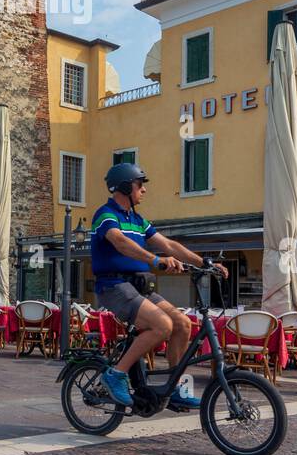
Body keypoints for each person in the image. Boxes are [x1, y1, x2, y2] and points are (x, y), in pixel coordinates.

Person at [90, 162, 228, 410]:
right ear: (124, 187)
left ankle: (173, 388)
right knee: (162, 325)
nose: (144, 190)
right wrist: (155, 260)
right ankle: (116, 374)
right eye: (139, 185)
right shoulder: (105, 214)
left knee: (182, 324)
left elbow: (169, 245)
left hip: (138, 286)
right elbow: (120, 242)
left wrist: (205, 262)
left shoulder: (138, 220)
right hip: (114, 285)